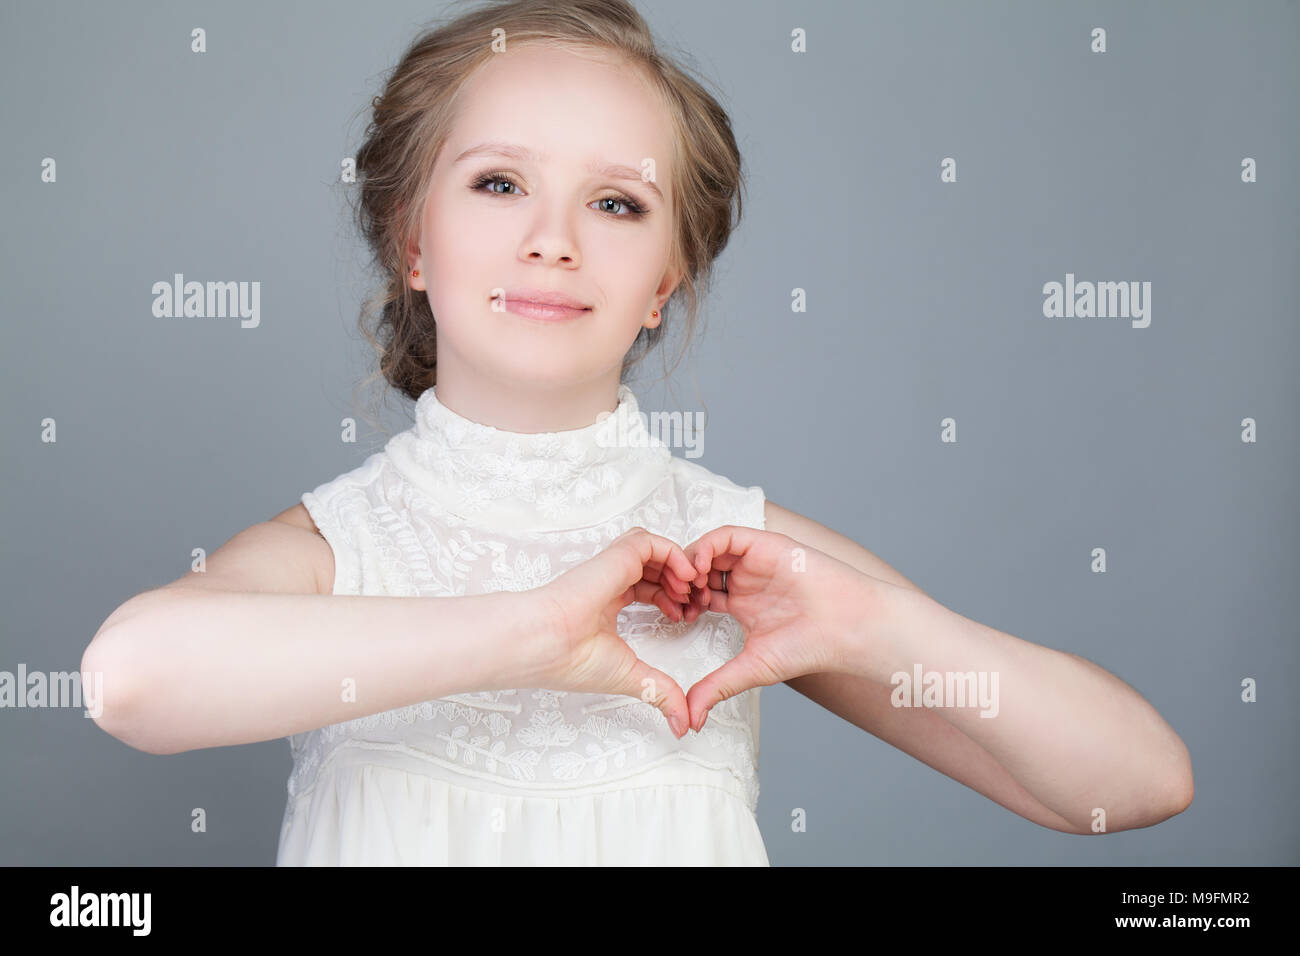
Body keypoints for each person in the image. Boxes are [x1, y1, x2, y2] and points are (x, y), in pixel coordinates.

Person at [81, 0, 1193, 866]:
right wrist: (526, 631)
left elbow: (1133, 779)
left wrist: (875, 621)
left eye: (616, 202)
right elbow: (129, 677)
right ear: (411, 243)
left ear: (665, 279)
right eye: (499, 182)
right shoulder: (329, 552)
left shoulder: (741, 556)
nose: (552, 239)